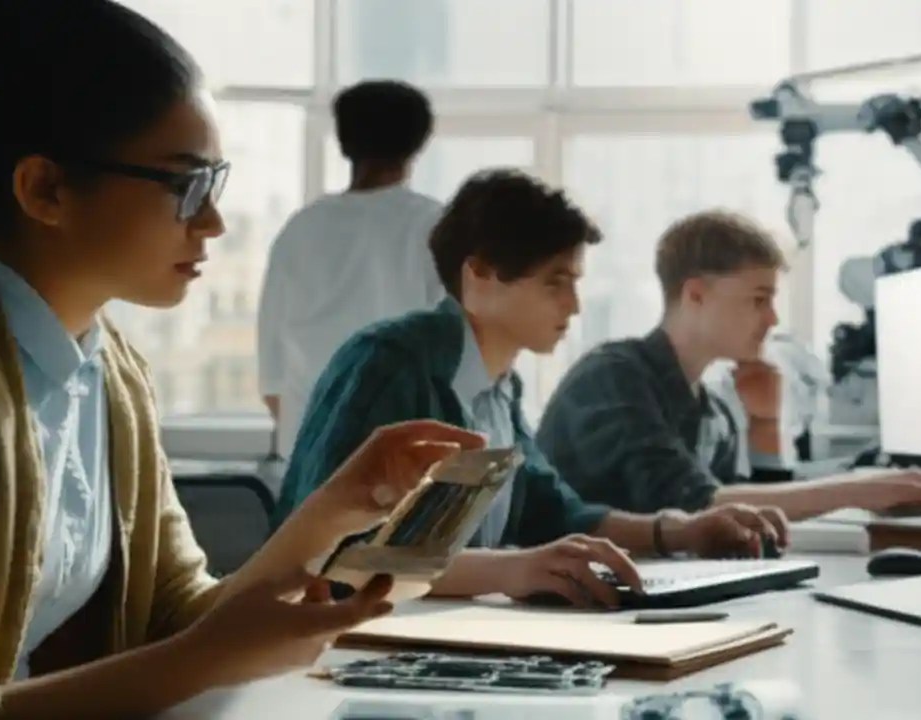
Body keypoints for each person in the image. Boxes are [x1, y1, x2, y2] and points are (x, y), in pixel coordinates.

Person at [0, 2, 484, 717]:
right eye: (186, 185)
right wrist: (207, 656)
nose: (214, 222)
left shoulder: (109, 370)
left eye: (216, 182)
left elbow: (178, 619)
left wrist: (333, 511)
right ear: (45, 189)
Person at [274, 170, 792, 609]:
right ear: (479, 275)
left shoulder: (501, 388)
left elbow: (554, 511)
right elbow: (331, 555)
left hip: (444, 635)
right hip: (340, 647)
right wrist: (512, 571)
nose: (574, 305)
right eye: (555, 282)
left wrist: (682, 531)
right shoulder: (389, 364)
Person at [536, 209, 921, 520]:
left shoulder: (712, 409)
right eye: (759, 299)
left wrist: (764, 425)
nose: (773, 319)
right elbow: (697, 506)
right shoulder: (612, 378)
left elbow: (746, 514)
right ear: (696, 295)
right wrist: (866, 489)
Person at [257, 80, 444, 458]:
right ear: (418, 145)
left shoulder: (300, 229)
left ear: (343, 143)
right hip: (404, 456)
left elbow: (272, 373)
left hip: (310, 454)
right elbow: (454, 353)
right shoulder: (436, 228)